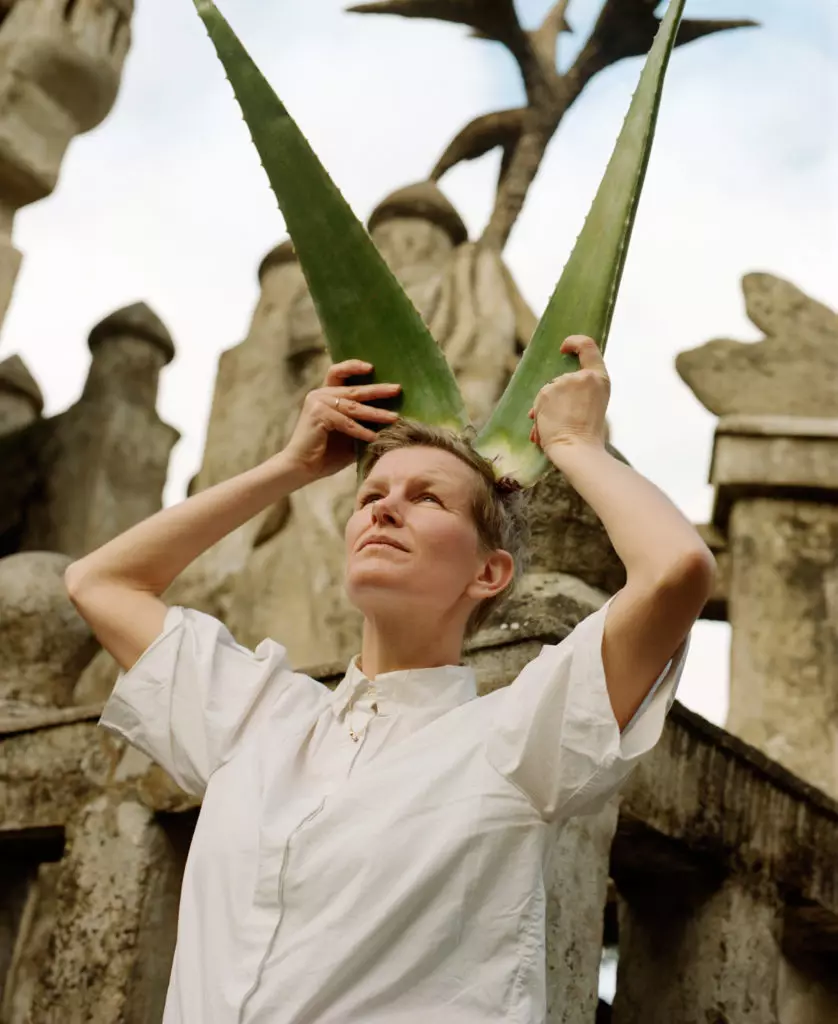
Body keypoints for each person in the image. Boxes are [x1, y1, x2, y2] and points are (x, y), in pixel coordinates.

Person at [66, 335, 715, 1024]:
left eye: (426, 498)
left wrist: (575, 444)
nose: (383, 508)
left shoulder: (515, 740)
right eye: (371, 495)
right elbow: (98, 583)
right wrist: (290, 467)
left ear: (487, 572)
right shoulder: (253, 716)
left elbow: (677, 572)